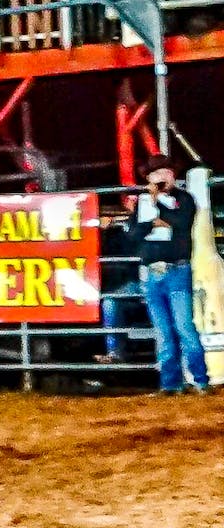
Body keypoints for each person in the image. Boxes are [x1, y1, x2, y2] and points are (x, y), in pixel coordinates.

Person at [116, 156, 211, 394]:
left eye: (166, 172)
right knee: (164, 332)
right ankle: (172, 384)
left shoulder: (184, 199)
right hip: (152, 272)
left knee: (184, 328)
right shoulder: (145, 202)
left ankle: (199, 380)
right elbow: (133, 234)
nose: (162, 176)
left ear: (173, 175)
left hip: (176, 270)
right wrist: (153, 221)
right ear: (149, 178)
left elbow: (180, 223)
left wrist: (156, 209)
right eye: (157, 173)